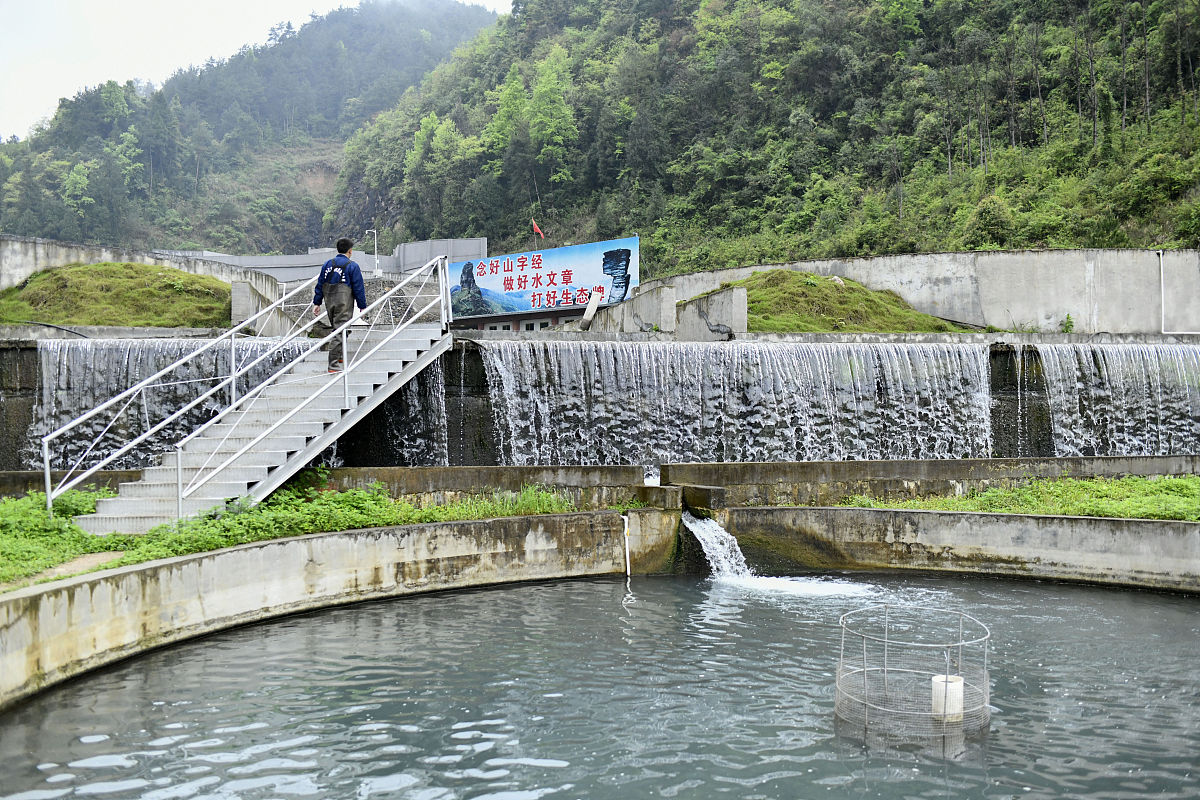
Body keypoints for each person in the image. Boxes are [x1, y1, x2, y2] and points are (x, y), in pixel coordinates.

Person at [312, 237, 367, 372]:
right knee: (340, 329)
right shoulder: (352, 266)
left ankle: (340, 355)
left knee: (340, 327)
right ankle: (333, 364)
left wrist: (317, 302)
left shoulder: (327, 264)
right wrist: (362, 306)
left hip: (329, 300)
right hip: (343, 300)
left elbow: (320, 284)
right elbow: (358, 287)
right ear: (350, 251)